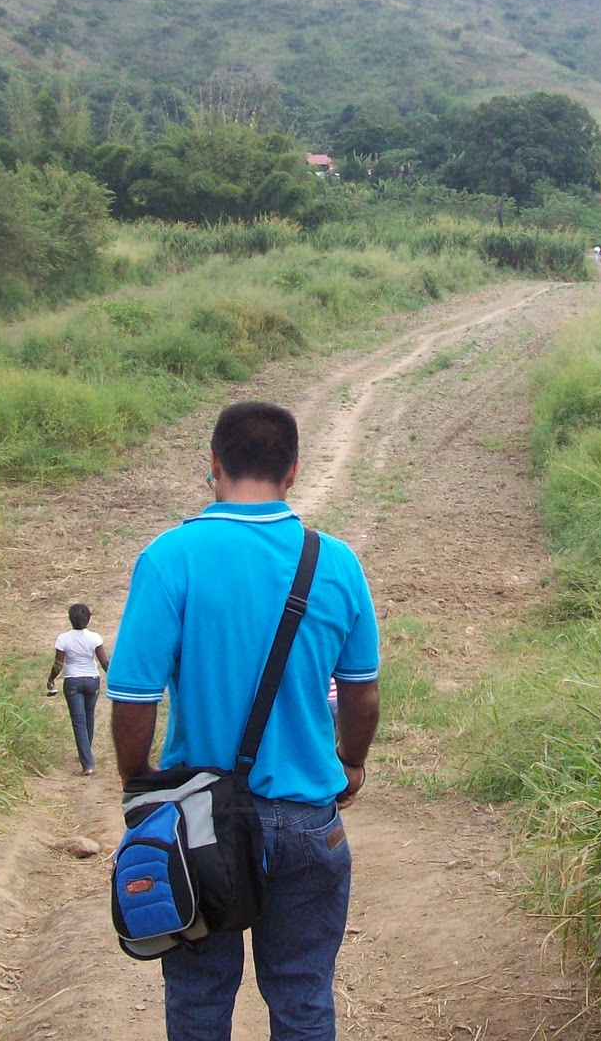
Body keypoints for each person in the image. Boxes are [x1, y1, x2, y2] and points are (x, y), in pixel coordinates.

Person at [107, 401, 381, 1041]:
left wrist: (138, 780)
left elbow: (134, 697)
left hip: (198, 821)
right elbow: (362, 695)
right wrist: (352, 761)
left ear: (213, 464)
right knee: (303, 997)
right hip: (309, 821)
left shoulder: (170, 557)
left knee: (200, 1001)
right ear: (292, 471)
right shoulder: (335, 562)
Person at [46, 603, 109, 775]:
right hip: (92, 680)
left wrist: (51, 680)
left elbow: (58, 665)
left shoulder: (63, 639)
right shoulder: (94, 637)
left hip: (72, 681)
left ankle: (87, 763)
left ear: (70, 619)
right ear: (88, 619)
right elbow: (104, 662)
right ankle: (86, 750)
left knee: (78, 721)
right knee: (89, 717)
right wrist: (113, 678)